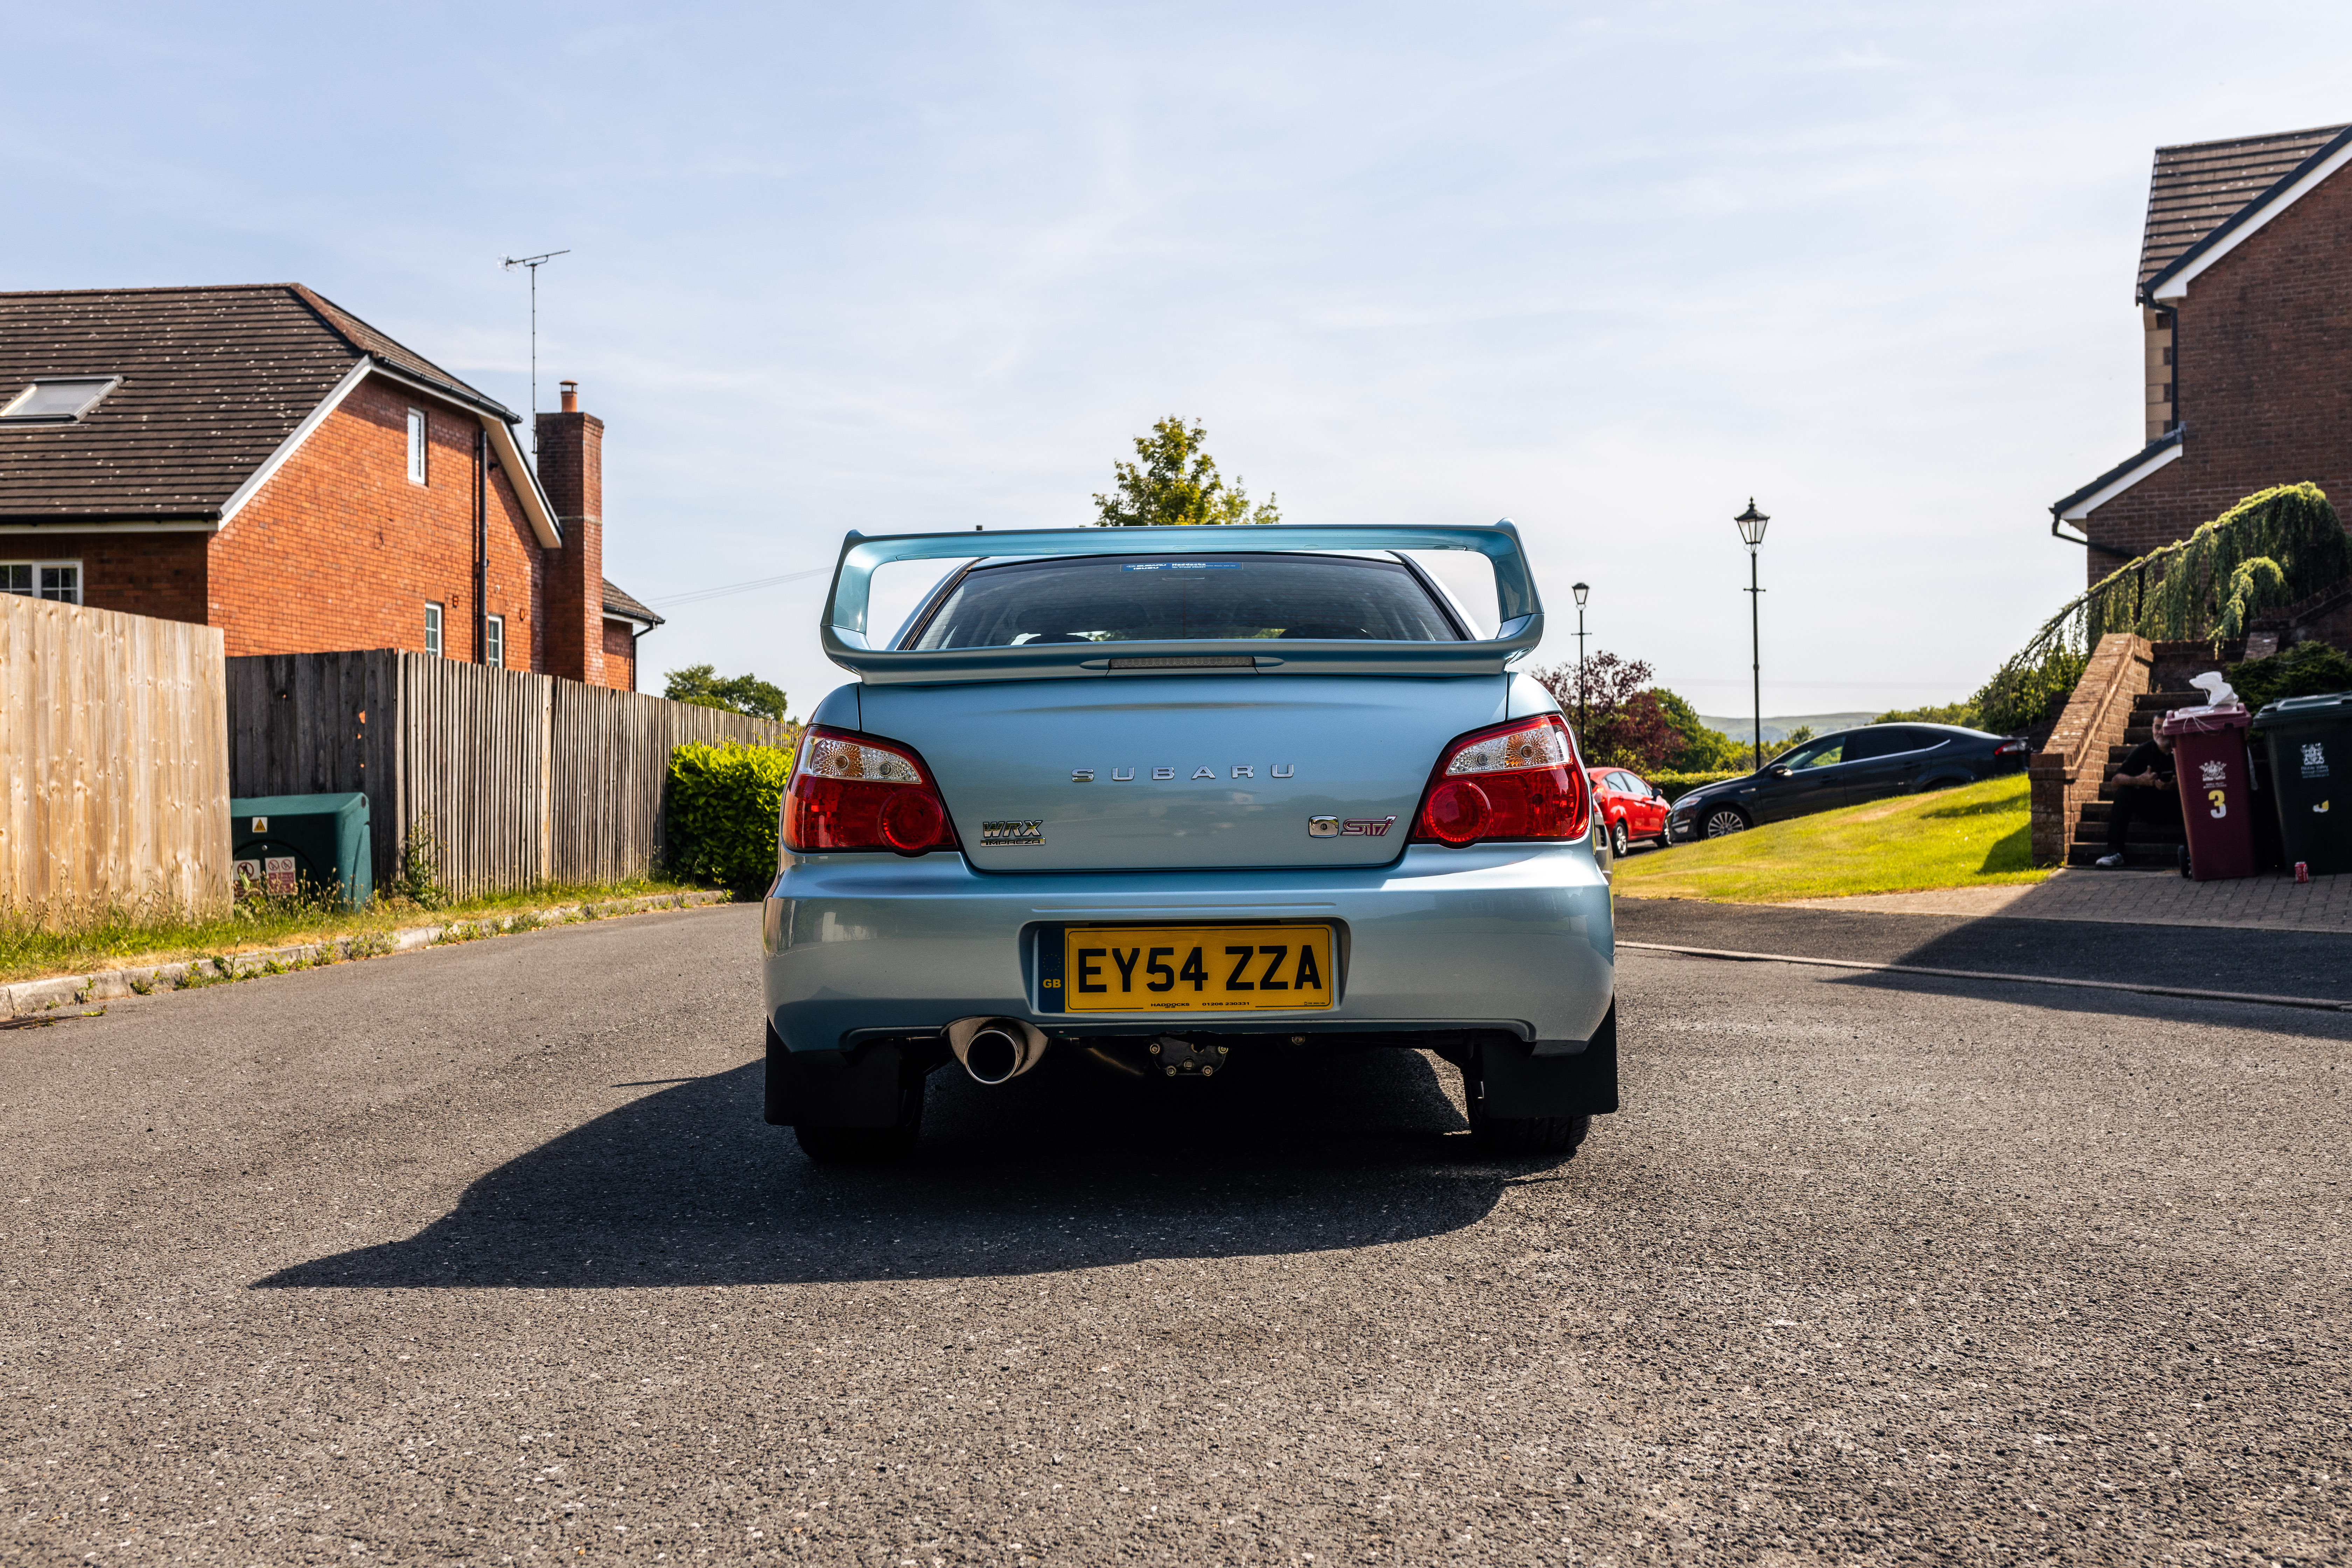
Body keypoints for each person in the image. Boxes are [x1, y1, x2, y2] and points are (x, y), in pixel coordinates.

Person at [2093, 727, 2176, 868]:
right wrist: (2140, 780)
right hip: (2149, 808)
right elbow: (2116, 780)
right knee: (2123, 792)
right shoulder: (2145, 750)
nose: (2160, 732)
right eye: (2157, 727)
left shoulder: (2183, 748)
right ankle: (2114, 852)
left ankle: (2193, 852)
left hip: (2176, 808)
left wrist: (2177, 784)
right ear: (2152, 729)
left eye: (2165, 727)